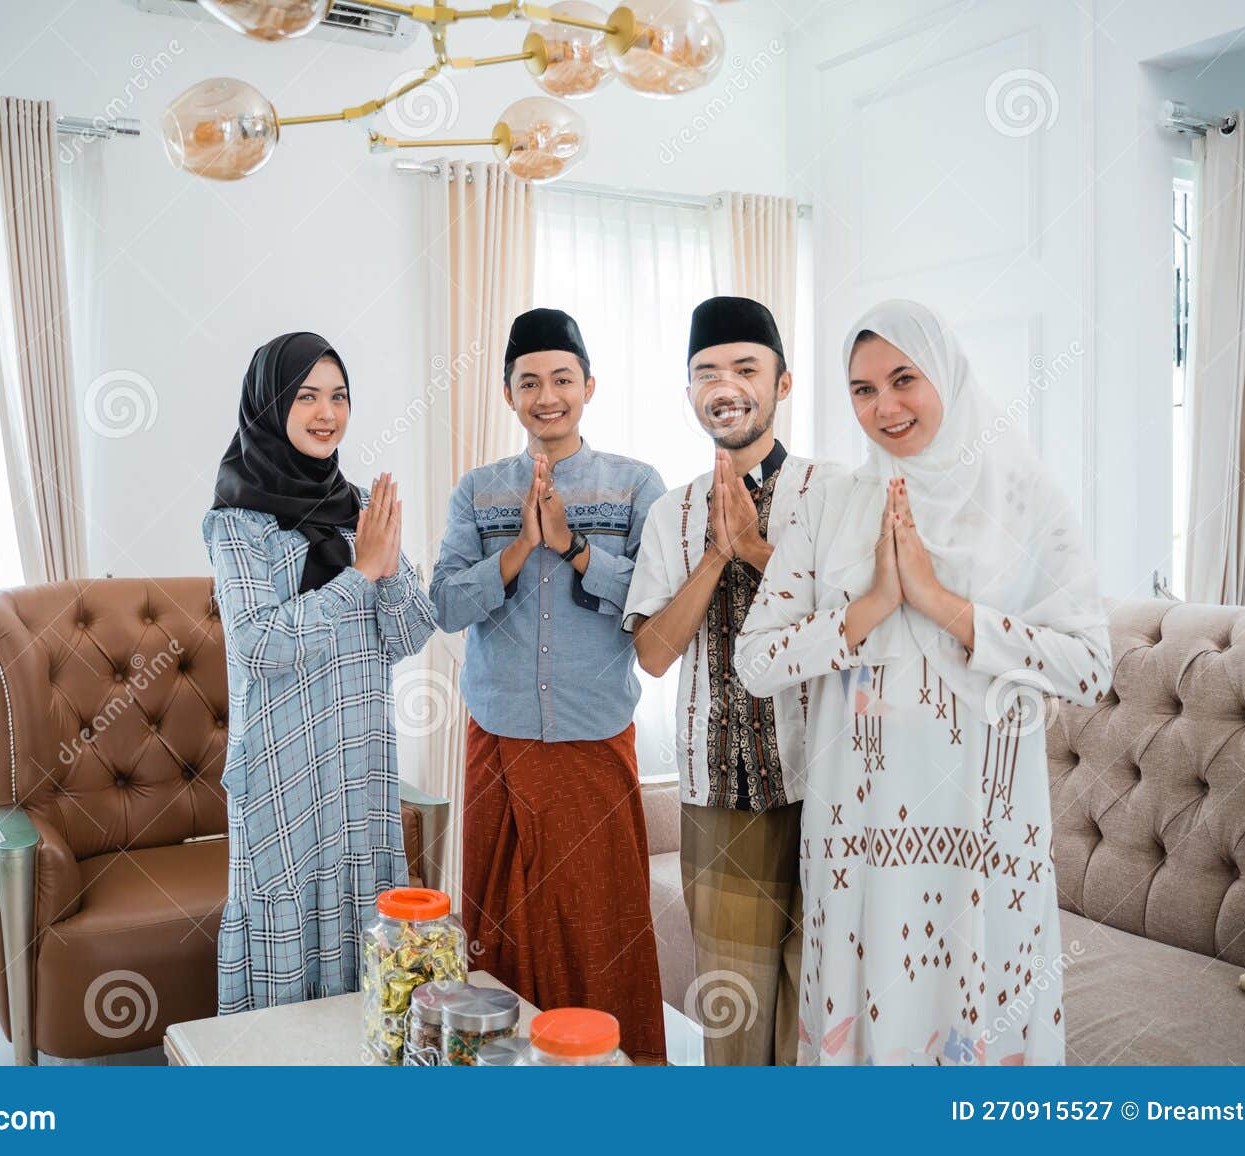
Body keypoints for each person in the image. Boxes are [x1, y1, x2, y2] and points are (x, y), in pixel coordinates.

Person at [736, 300, 1111, 1065]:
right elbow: (757, 660)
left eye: (903, 379)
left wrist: (942, 604)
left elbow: (1090, 667)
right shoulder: (833, 503)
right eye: (863, 389)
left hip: (984, 830)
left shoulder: (1024, 498)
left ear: (946, 375)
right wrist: (871, 607)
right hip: (858, 831)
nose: (885, 406)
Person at [429, 307, 668, 1064]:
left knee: (599, 923)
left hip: (592, 736)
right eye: (529, 381)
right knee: (498, 925)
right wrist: (519, 549)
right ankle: (502, 1076)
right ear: (509, 394)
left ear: (589, 386)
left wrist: (570, 546)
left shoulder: (635, 486)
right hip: (497, 732)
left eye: (562, 378)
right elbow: (444, 604)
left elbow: (657, 605)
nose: (547, 395)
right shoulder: (477, 492)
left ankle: (606, 1078)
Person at [623, 296, 840, 1065]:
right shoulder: (672, 514)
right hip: (719, 796)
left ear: (783, 383)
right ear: (689, 394)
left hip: (831, 785)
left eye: (746, 367)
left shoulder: (832, 494)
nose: (726, 384)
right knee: (737, 1020)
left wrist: (753, 547)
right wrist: (716, 556)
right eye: (707, 371)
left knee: (824, 1006)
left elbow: (857, 626)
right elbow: (652, 653)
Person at [203, 332, 436, 1012]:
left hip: (359, 763)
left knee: (364, 932)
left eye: (338, 396)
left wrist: (385, 572)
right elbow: (260, 646)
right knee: (284, 930)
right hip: (281, 773)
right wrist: (361, 574)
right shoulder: (237, 523)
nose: (325, 412)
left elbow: (411, 632)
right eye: (305, 396)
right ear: (269, 406)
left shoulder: (360, 506)